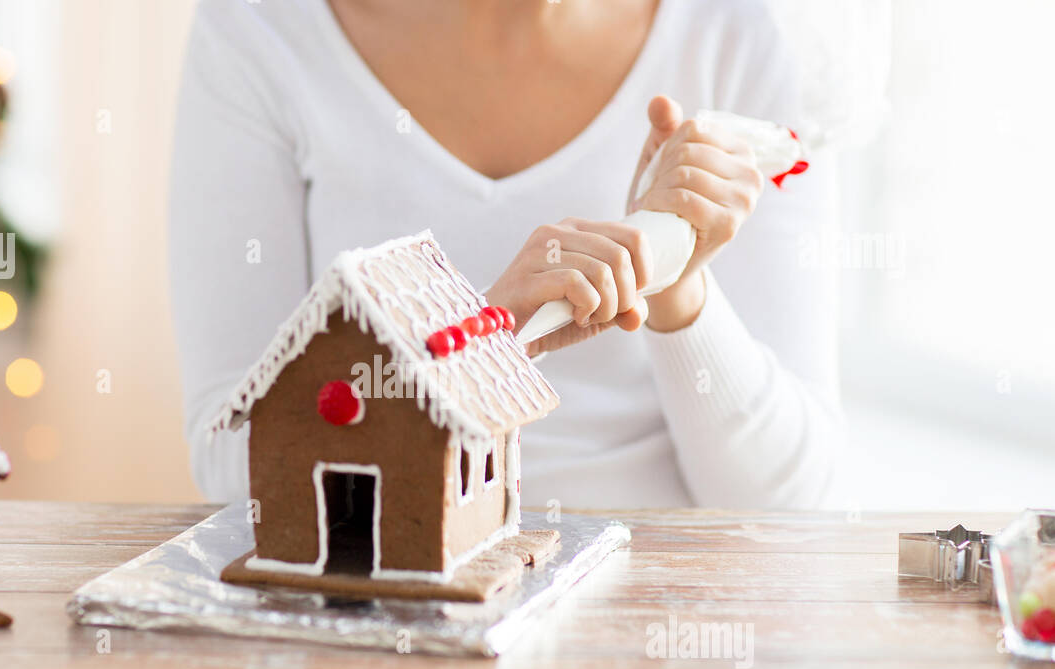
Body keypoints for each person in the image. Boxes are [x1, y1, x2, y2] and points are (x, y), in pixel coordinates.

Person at [169, 0, 842, 509]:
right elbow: (235, 462)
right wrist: (477, 343)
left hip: (662, 631)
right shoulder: (259, 32)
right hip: (382, 614)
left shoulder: (739, 36)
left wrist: (677, 284)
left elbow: (792, 501)